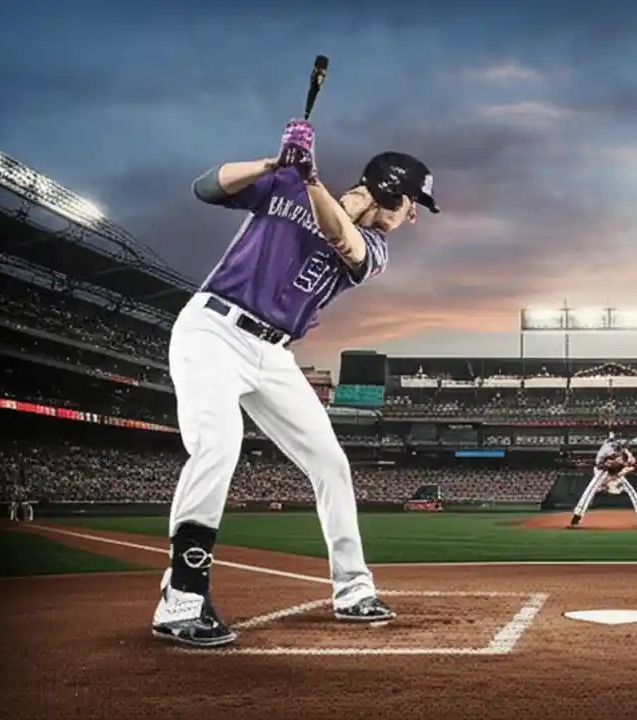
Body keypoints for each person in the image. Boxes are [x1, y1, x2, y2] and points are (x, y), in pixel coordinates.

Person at [152, 119, 440, 648]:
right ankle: (182, 599)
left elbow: (342, 240)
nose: (414, 215)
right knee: (218, 445)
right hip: (213, 329)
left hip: (273, 354)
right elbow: (206, 187)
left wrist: (310, 178)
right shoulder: (286, 185)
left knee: (330, 463)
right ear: (390, 193)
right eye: (412, 203)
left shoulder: (374, 247)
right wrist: (274, 163)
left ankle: (353, 590)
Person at [567, 434, 637, 529]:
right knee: (591, 489)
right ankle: (577, 516)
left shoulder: (623, 451)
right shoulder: (607, 449)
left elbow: (631, 464)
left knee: (631, 490)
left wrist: (625, 467)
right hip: (602, 470)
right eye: (616, 443)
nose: (618, 445)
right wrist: (622, 464)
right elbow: (608, 465)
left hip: (616, 471)